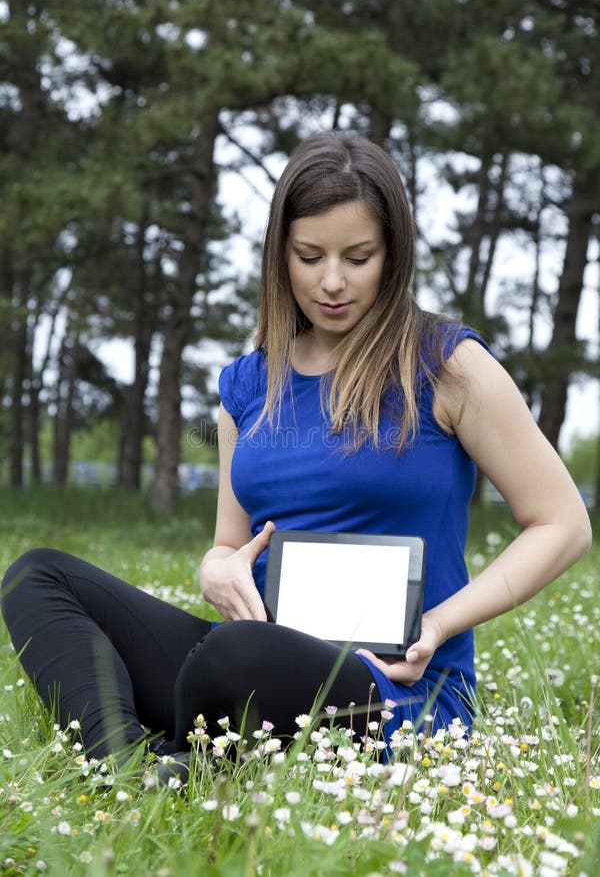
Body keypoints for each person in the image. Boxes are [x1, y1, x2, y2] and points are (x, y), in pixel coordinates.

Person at [1, 132, 591, 779]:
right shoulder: (246, 386)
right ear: (281, 254)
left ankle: (196, 753)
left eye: (358, 257)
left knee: (234, 659)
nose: (331, 282)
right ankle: (128, 771)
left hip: (390, 685)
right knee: (37, 577)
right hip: (249, 654)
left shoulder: (447, 365)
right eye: (309, 256)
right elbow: (229, 545)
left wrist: (439, 625)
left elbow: (563, 523)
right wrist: (214, 570)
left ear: (392, 254)